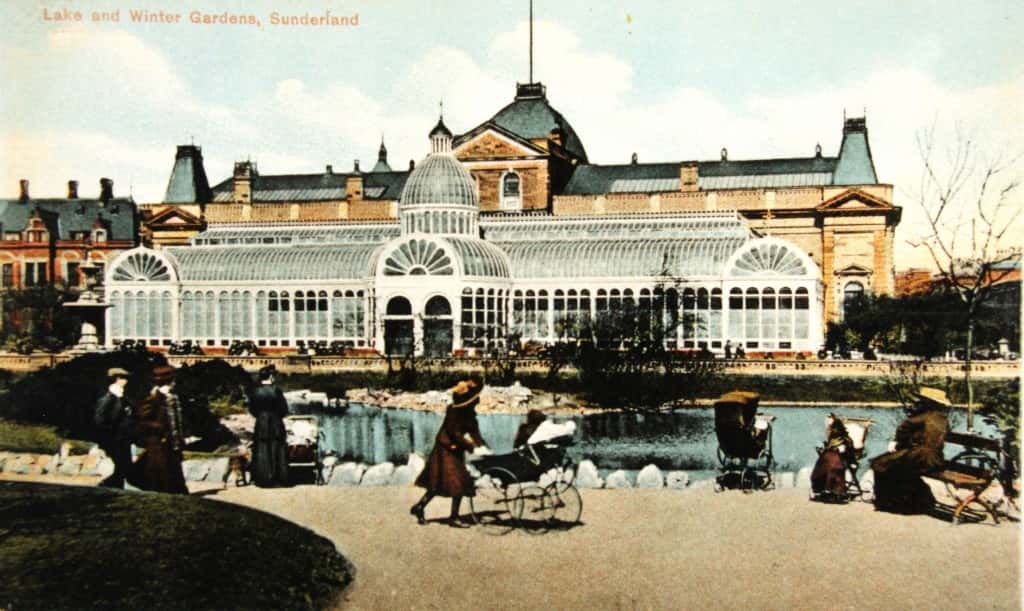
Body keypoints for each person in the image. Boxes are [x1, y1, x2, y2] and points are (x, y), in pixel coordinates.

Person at [410, 378, 488, 527]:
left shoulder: (469, 413)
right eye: (476, 397)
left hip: (454, 449)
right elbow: (454, 433)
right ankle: (453, 517)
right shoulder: (455, 412)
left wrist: (484, 447)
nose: (478, 400)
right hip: (445, 449)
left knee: (440, 483)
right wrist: (470, 446)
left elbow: (475, 432)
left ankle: (419, 507)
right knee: (457, 481)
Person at [869, 387, 950, 514]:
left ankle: (886, 501)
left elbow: (903, 429)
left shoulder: (922, 416)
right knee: (892, 464)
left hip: (919, 457)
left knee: (880, 463)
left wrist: (900, 443)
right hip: (936, 459)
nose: (919, 402)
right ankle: (910, 499)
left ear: (927, 402)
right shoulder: (942, 418)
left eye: (922, 400)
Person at [134, 365, 188, 494]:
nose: (175, 383)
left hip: (172, 441)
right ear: (168, 381)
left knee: (173, 469)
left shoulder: (172, 397)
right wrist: (158, 428)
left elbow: (176, 420)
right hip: (159, 441)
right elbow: (141, 420)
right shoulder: (154, 398)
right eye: (173, 380)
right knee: (161, 471)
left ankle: (177, 493)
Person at [247, 365, 289, 487]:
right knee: (277, 449)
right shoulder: (276, 390)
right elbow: (284, 409)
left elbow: (252, 409)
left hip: (261, 421)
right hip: (275, 421)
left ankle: (262, 478)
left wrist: (260, 416)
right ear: (271, 376)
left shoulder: (255, 391)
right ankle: (278, 478)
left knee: (261, 449)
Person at [94, 367, 135, 488]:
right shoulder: (109, 398)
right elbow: (100, 419)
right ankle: (108, 484)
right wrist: (107, 435)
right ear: (116, 379)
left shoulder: (123, 397)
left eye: (125, 378)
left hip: (124, 437)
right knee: (123, 464)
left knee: (124, 465)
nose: (125, 381)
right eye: (123, 378)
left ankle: (114, 486)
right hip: (114, 437)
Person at [811, 415, 856, 500]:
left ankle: (833, 490)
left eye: (833, 428)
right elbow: (828, 449)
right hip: (828, 461)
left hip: (841, 461)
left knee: (832, 467)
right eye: (832, 428)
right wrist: (823, 450)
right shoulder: (832, 439)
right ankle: (821, 489)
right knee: (822, 466)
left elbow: (848, 453)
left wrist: (841, 450)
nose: (832, 430)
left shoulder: (845, 439)